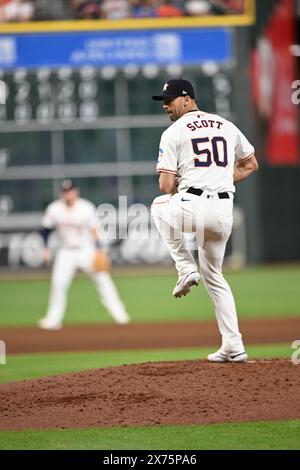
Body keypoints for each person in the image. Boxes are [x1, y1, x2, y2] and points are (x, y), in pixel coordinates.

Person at [150, 79, 258, 362]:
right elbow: (251, 164)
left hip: (192, 205)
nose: (165, 104)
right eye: (163, 99)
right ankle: (233, 345)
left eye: (170, 99)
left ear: (187, 99)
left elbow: (165, 185)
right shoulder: (226, 125)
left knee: (158, 205)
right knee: (214, 275)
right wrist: (219, 177)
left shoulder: (173, 132)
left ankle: (185, 267)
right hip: (224, 213)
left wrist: (191, 182)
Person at [38, 179, 130, 330]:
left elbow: (95, 230)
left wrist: (100, 251)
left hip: (86, 249)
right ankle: (53, 320)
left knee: (103, 280)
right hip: (66, 251)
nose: (68, 194)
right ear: (62, 193)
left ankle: (120, 315)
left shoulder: (86, 207)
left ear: (76, 191)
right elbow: (45, 229)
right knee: (59, 283)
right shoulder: (54, 208)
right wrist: (45, 249)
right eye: (65, 192)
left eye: (71, 191)